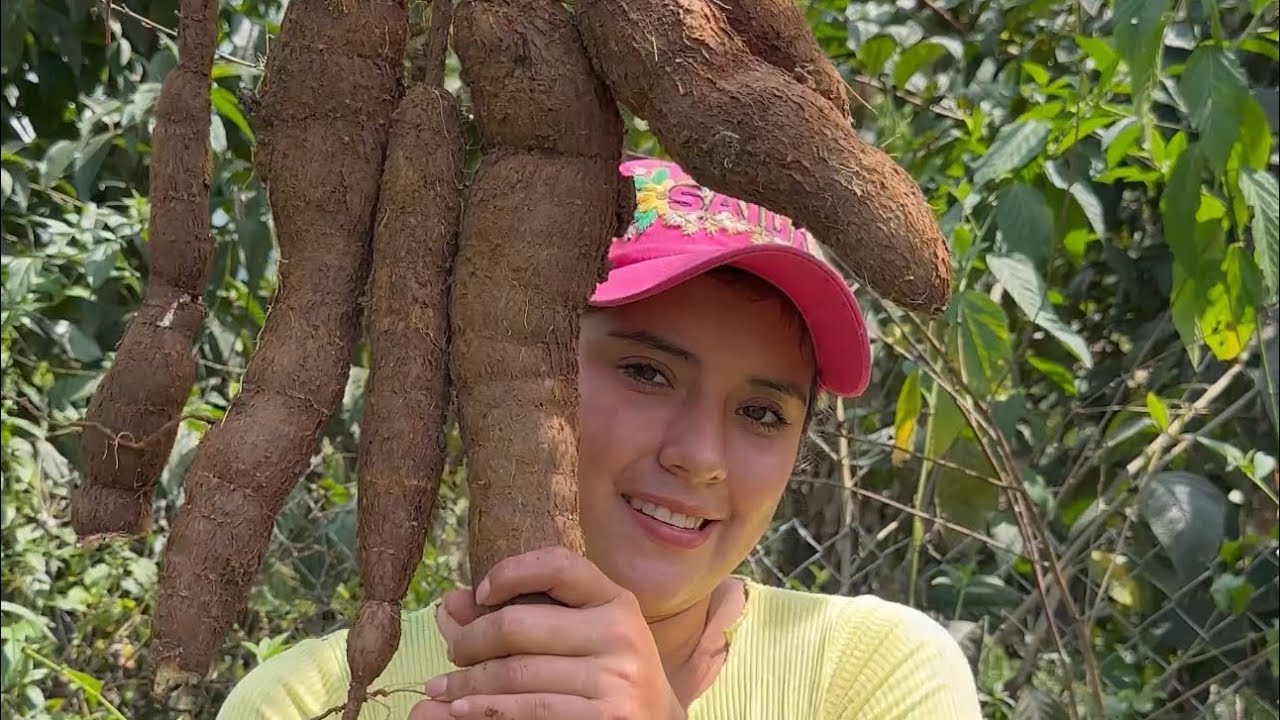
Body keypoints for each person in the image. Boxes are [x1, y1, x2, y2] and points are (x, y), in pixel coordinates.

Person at [218, 158, 983, 719]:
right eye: (647, 373)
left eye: (761, 414)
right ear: (516, 374)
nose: (700, 457)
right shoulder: (314, 699)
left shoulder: (871, 673)